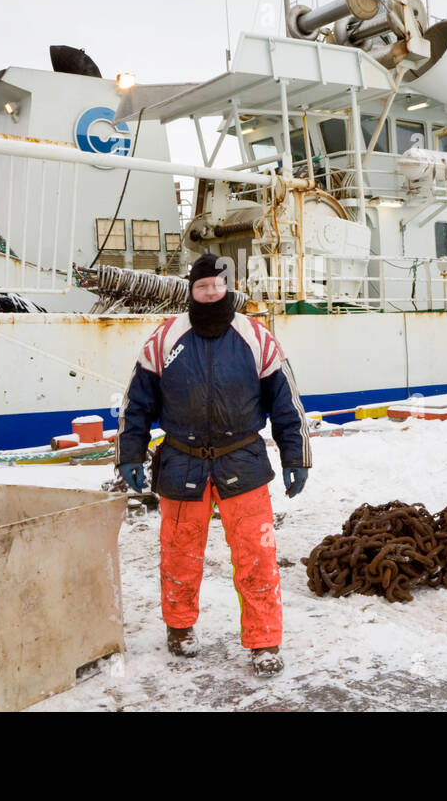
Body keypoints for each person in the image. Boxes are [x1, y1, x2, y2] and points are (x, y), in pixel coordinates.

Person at [115, 253, 312, 677]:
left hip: (242, 458)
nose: (210, 292)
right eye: (202, 286)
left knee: (256, 556)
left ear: (227, 288)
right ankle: (180, 627)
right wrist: (130, 453)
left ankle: (264, 642)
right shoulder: (165, 338)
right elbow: (137, 403)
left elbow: (287, 405)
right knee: (179, 553)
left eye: (217, 286)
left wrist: (296, 456)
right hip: (182, 462)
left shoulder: (256, 337)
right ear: (192, 290)